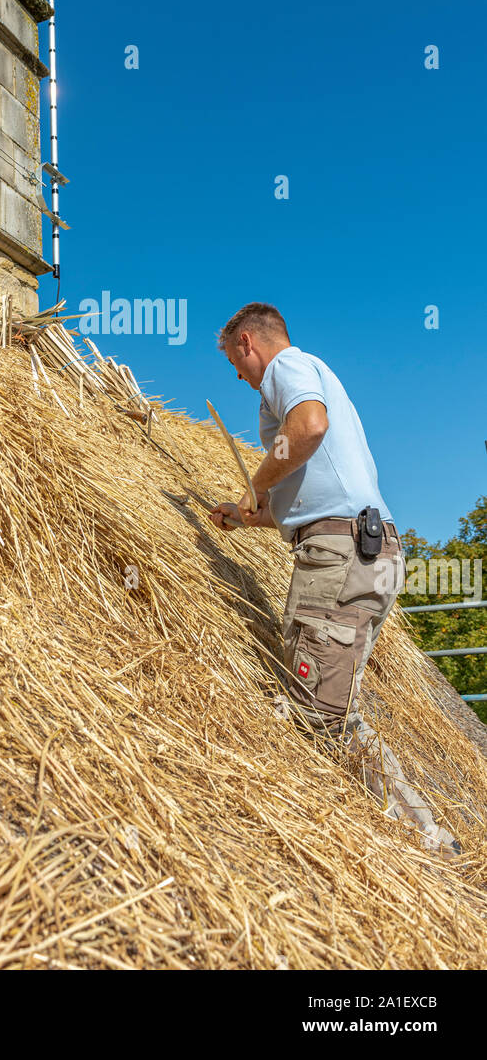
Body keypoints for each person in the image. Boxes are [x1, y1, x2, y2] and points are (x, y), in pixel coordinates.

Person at [209, 301, 459, 856]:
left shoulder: (287, 368)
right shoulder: (323, 380)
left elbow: (307, 428)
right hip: (368, 549)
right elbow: (309, 492)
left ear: (248, 342)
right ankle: (417, 833)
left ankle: (418, 843)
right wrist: (252, 511)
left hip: (342, 553)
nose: (241, 379)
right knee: (331, 704)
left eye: (235, 364)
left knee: (315, 713)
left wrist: (256, 482)